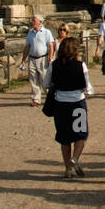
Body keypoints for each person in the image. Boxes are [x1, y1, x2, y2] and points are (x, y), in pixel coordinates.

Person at [42, 35, 95, 179]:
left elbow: (45, 84)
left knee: (64, 138)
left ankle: (67, 168)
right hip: (77, 103)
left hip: (60, 105)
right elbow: (88, 87)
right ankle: (75, 159)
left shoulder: (54, 65)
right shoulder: (81, 65)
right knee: (81, 135)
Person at [22, 14, 57, 106]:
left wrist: (50, 57)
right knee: (33, 80)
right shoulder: (30, 33)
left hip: (43, 58)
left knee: (44, 79)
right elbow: (27, 46)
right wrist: (23, 60)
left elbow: (51, 45)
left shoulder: (46, 32)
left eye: (34, 20)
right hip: (32, 58)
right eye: (32, 20)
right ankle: (36, 99)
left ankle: (50, 98)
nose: (32, 22)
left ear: (40, 22)